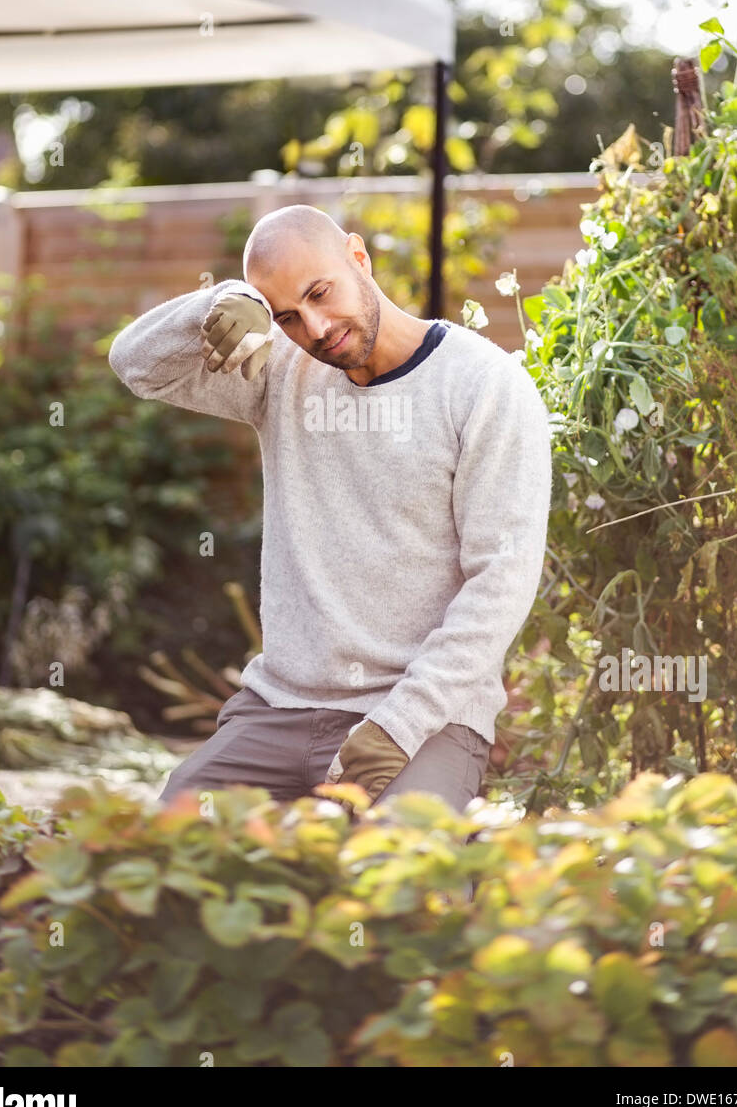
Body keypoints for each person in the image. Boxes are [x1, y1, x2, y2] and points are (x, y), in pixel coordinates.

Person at [108, 204, 552, 813]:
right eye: (287, 314)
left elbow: (501, 581)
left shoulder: (484, 386)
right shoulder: (276, 372)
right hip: (279, 710)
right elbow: (134, 365)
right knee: (166, 855)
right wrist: (225, 302)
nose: (315, 328)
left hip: (427, 720)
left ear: (359, 257)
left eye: (320, 293)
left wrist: (398, 725)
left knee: (400, 883)